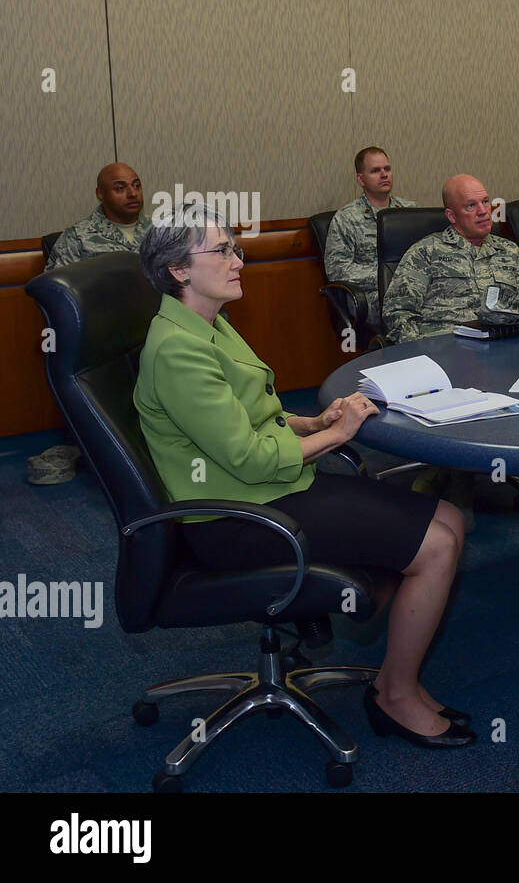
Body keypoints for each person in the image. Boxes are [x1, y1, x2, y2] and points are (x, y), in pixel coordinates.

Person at [134, 203, 474, 749]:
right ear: (178, 270)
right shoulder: (176, 350)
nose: (238, 261)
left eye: (234, 248)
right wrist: (338, 436)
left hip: (272, 490)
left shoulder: (206, 324)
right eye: (221, 251)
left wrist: (312, 421)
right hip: (236, 517)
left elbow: (251, 412)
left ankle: (388, 675)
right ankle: (396, 696)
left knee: (453, 518)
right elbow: (247, 457)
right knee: (436, 547)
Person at [385, 174, 519, 342]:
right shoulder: (426, 252)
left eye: (485, 201)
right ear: (452, 216)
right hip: (447, 348)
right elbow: (398, 312)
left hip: (504, 343)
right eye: (471, 205)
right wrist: (420, 353)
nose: (483, 211)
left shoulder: (509, 250)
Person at [323, 147, 417, 319]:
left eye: (387, 169)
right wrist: (388, 275)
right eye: (375, 171)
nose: (384, 174)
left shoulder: (410, 211)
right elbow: (338, 270)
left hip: (414, 288)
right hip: (372, 296)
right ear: (361, 179)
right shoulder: (346, 218)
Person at [46, 163, 153, 271]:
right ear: (100, 194)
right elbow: (55, 286)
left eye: (136, 186)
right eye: (120, 188)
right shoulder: (77, 237)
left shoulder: (161, 230)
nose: (133, 193)